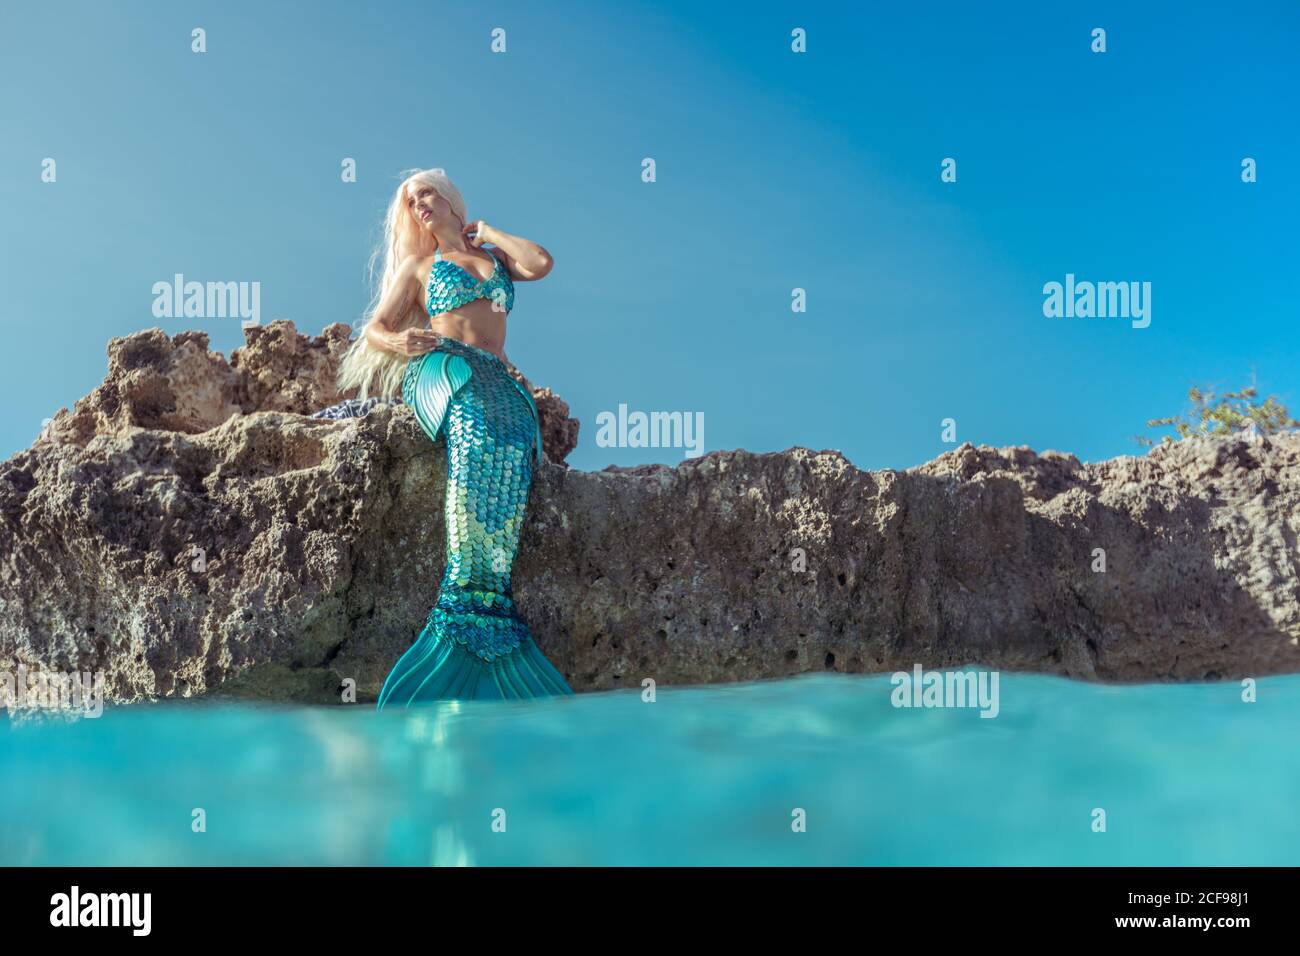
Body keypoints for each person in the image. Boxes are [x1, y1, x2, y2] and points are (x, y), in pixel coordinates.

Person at [313, 168, 574, 706]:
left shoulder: (496, 259)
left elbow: (541, 263)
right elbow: (375, 328)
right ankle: (459, 609)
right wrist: (399, 342)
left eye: (426, 193)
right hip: (449, 369)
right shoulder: (420, 267)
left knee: (513, 464)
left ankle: (493, 614)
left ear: (451, 199)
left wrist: (491, 232)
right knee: (474, 445)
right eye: (411, 201)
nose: (419, 205)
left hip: (501, 379)